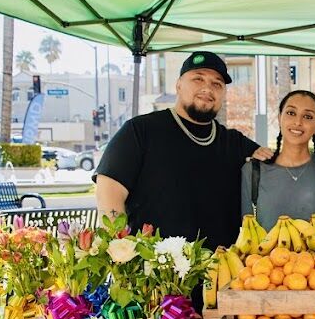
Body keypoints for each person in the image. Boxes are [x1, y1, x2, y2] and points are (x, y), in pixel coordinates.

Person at [96, 51, 268, 247]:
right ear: (178, 85)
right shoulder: (140, 131)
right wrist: (122, 253)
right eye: (198, 79)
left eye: (217, 84)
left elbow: (278, 166)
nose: (207, 88)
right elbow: (108, 194)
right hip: (156, 271)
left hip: (223, 270)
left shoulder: (234, 142)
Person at [244, 90, 315, 231]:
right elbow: (247, 231)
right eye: (291, 113)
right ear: (280, 117)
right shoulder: (253, 171)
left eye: (307, 116)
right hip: (264, 253)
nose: (298, 122)